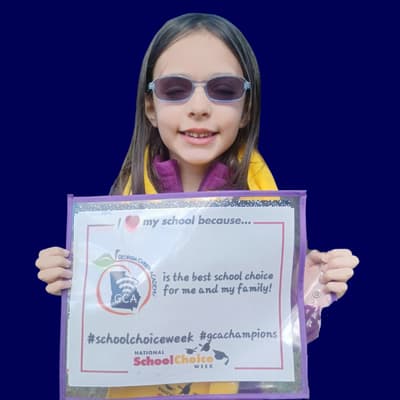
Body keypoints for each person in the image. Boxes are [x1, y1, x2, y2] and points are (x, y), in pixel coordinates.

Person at [35, 13, 359, 398]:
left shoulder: (271, 219)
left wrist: (309, 290)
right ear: (150, 107)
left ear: (247, 109)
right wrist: (75, 279)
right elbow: (107, 329)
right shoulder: (113, 220)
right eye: (175, 89)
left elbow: (274, 345)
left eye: (223, 89)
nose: (199, 107)